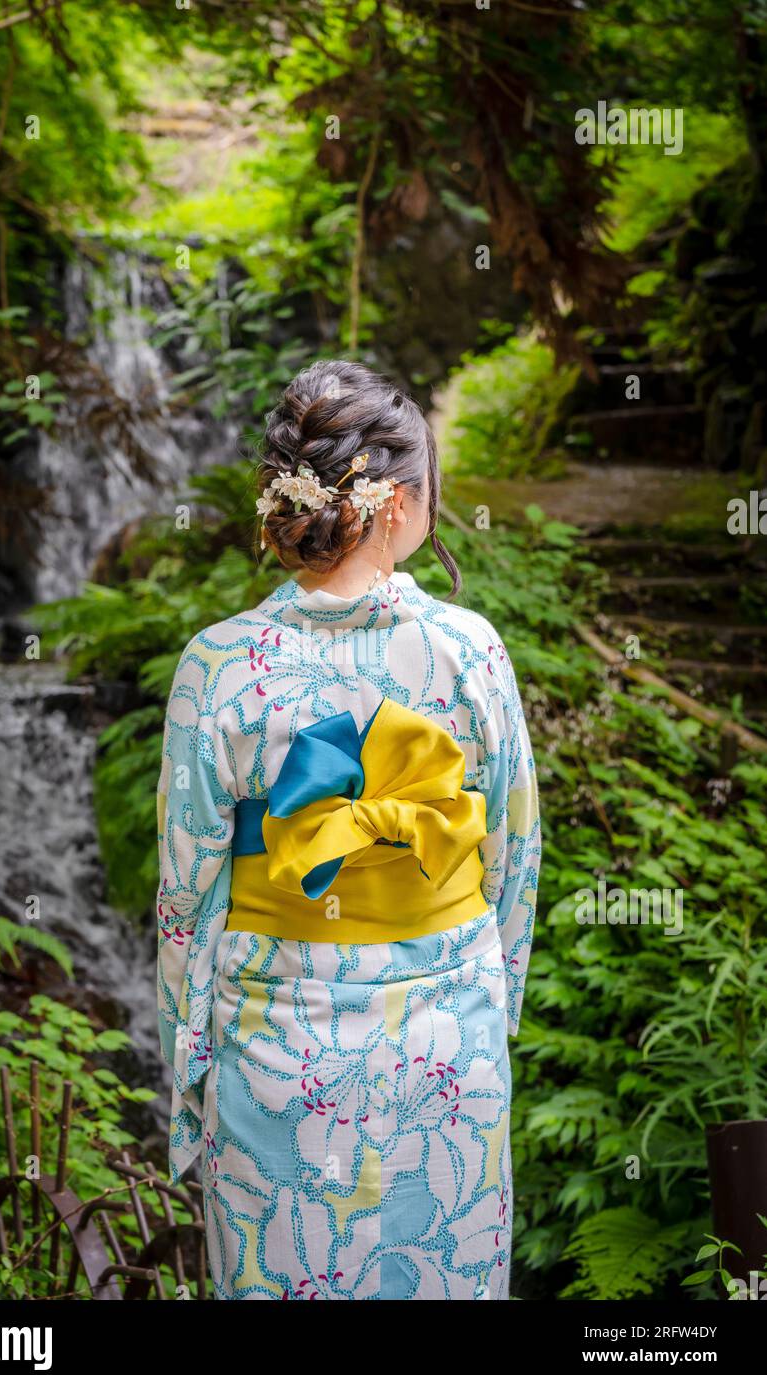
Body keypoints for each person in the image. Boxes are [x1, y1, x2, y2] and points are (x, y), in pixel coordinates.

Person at [155, 359, 540, 1300]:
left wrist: (191, 1068)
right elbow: (512, 861)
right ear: (400, 505)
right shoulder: (468, 651)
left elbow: (186, 899)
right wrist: (492, 1012)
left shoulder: (218, 666)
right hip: (444, 1042)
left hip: (277, 1053)